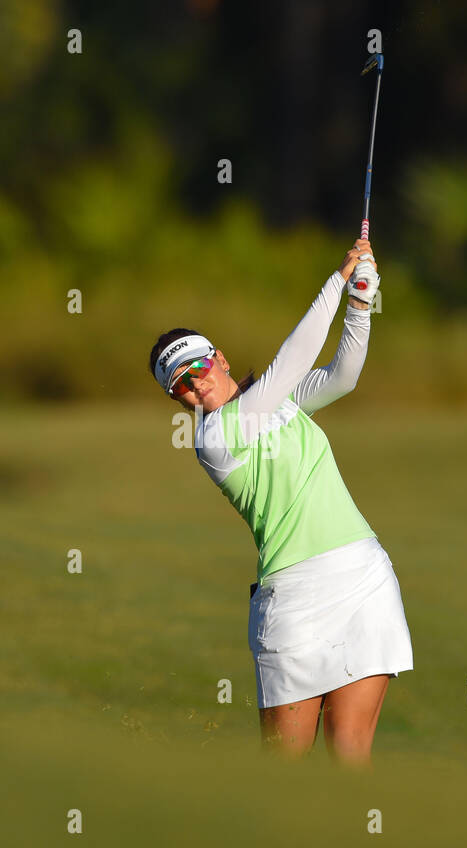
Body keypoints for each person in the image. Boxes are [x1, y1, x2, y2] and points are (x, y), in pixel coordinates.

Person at [147, 238, 413, 766]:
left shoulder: (281, 402)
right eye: (182, 389)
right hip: (293, 603)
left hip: (362, 578)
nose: (197, 389)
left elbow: (342, 375)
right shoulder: (215, 440)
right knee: (282, 780)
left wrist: (360, 300)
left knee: (350, 763)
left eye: (199, 372)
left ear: (217, 359)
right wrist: (337, 279)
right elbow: (292, 362)